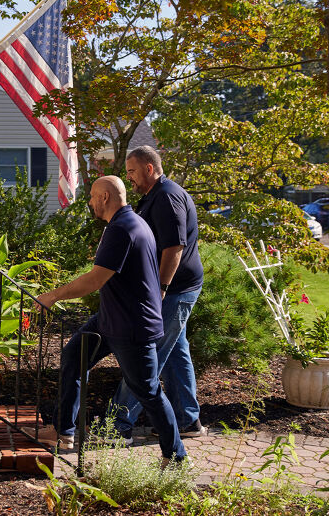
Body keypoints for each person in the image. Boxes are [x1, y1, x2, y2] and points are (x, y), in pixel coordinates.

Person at [24, 176, 187, 465]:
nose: (89, 202)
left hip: (132, 325)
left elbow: (96, 279)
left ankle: (175, 456)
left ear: (105, 198)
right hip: (111, 319)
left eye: (92, 196)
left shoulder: (123, 228)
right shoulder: (129, 223)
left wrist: (53, 296)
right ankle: (63, 431)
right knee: (74, 356)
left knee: (148, 391)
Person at [112, 146, 205, 442]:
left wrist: (160, 289)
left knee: (146, 356)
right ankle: (187, 420)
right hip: (174, 290)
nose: (129, 179)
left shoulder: (167, 197)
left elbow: (174, 247)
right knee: (176, 353)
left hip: (175, 290)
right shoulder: (155, 196)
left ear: (149, 169)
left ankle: (117, 425)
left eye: (132, 172)